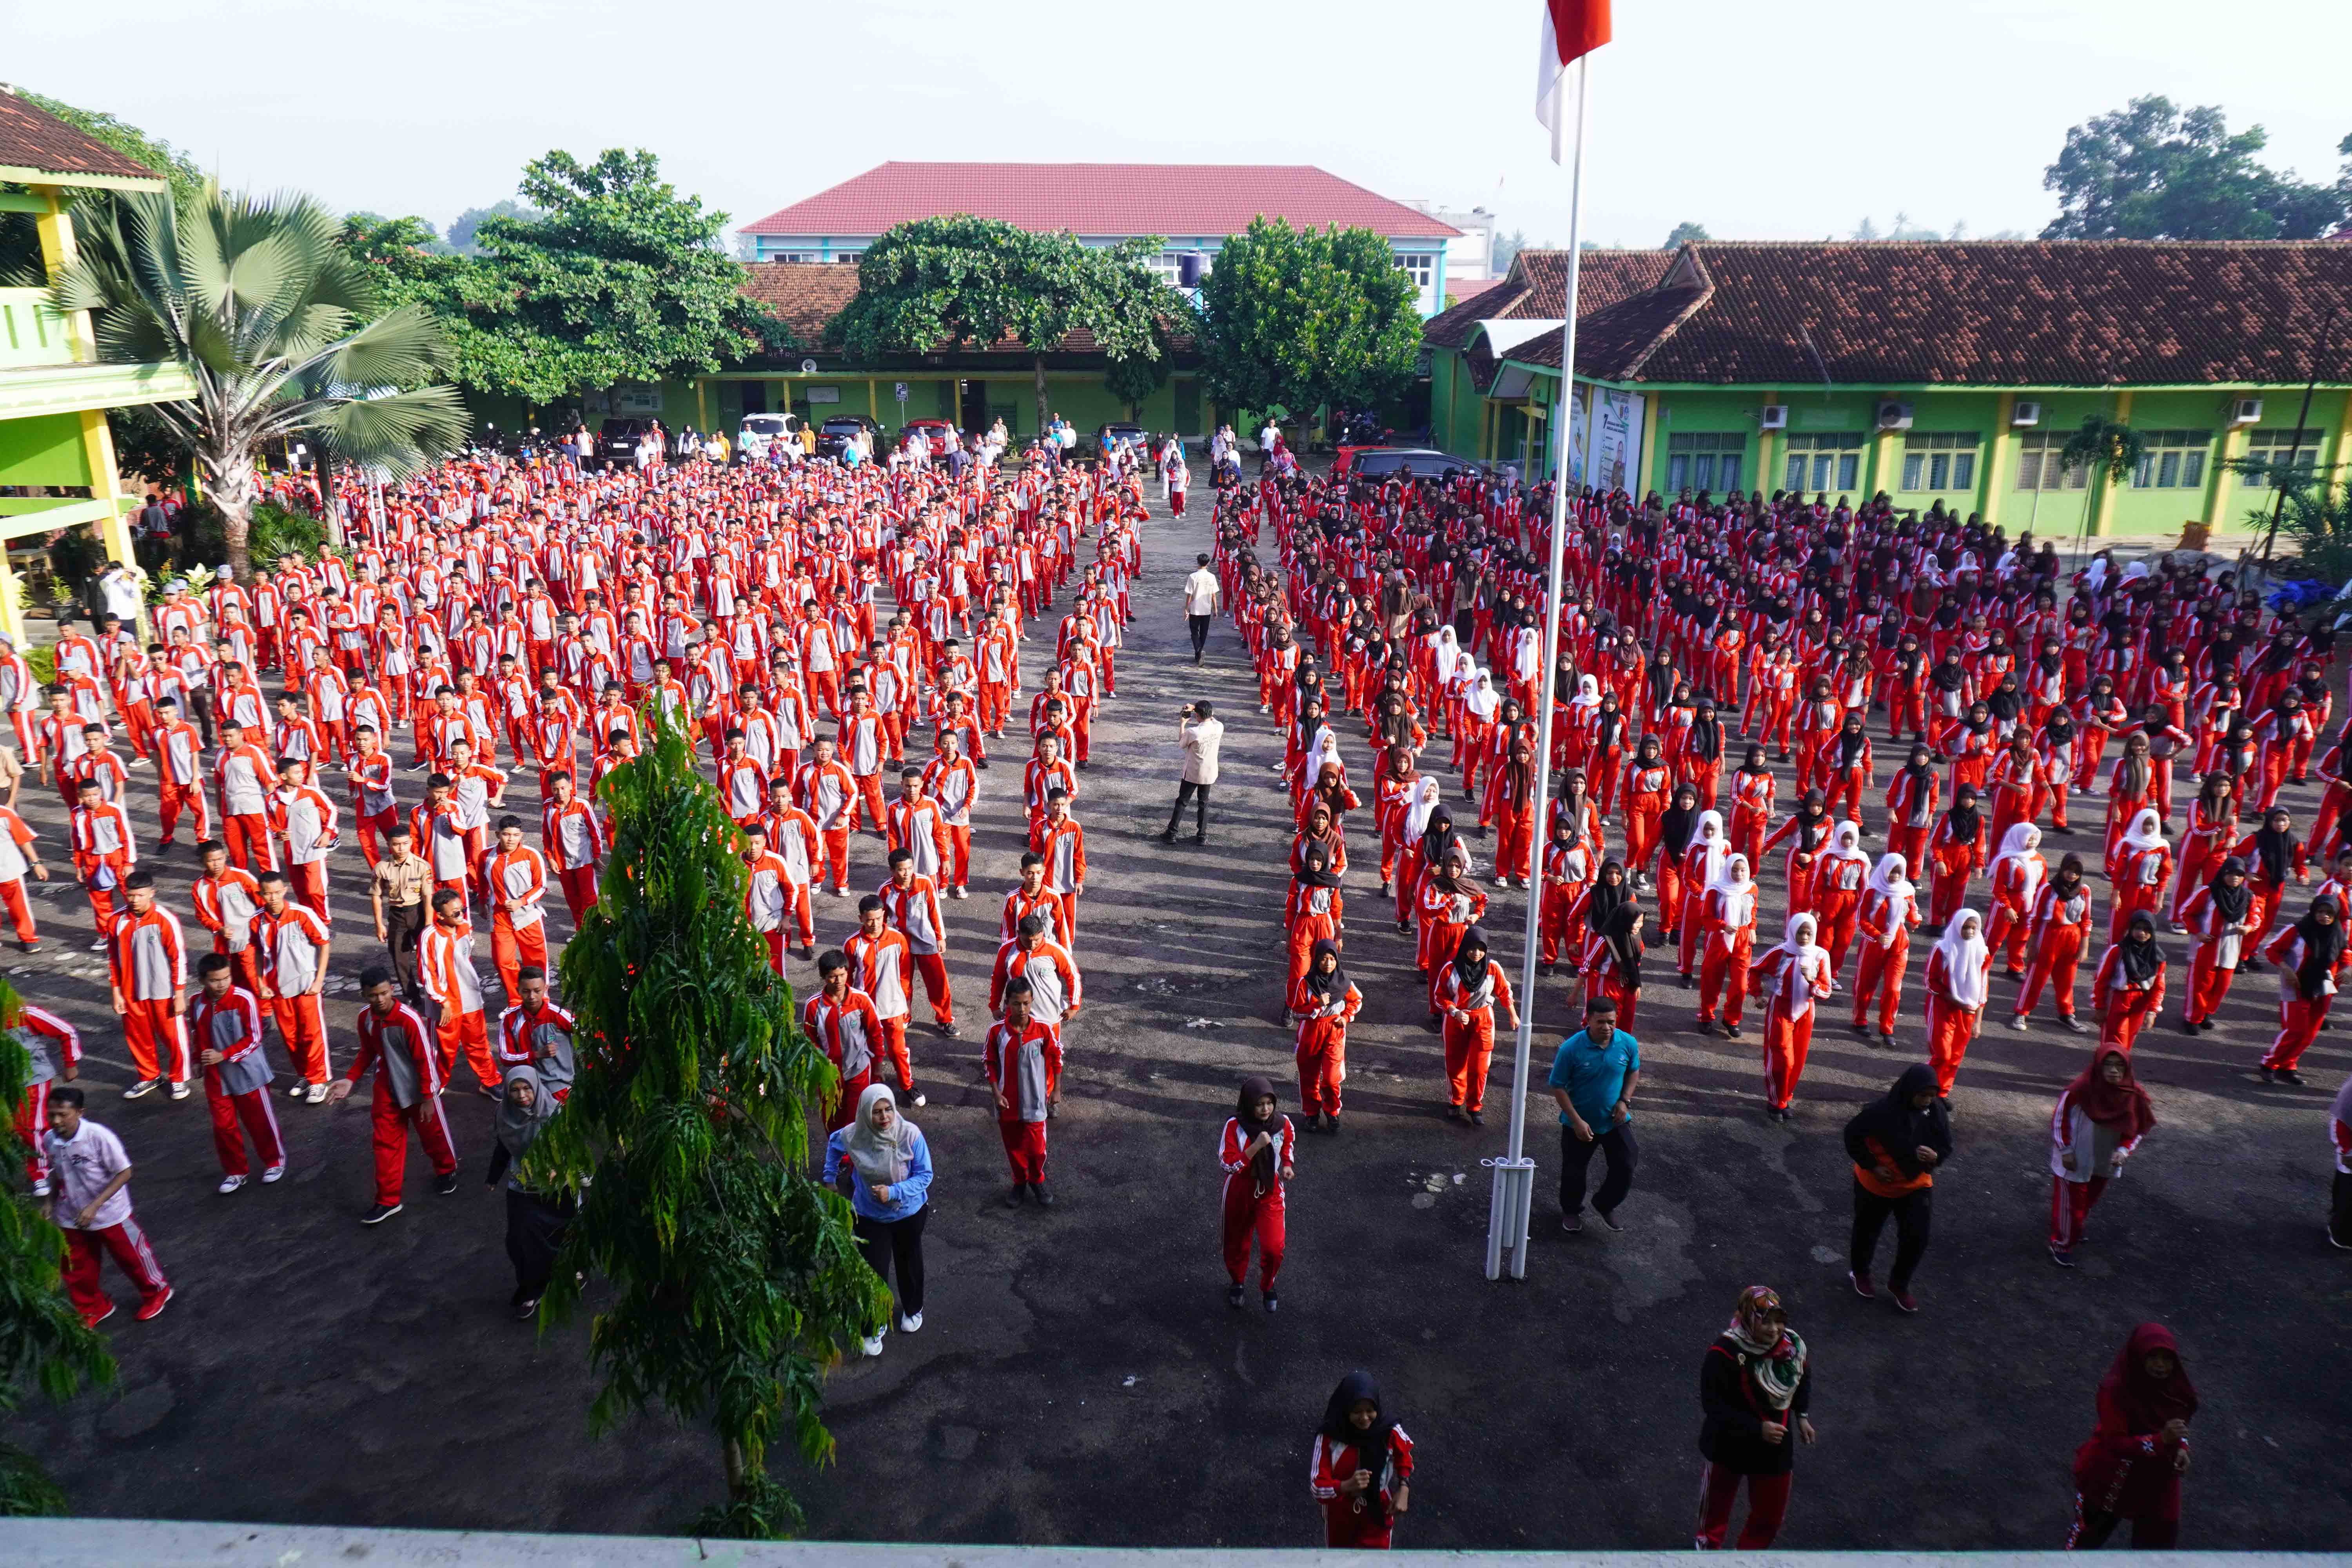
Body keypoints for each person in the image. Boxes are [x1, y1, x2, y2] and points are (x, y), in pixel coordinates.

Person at [327, 966, 459, 1225]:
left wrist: (429, 1098)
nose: (380, 1000)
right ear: (364, 994)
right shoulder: (365, 1018)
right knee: (385, 1143)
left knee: (433, 1135)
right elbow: (367, 1052)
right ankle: (388, 1200)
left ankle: (446, 1170)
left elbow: (425, 1061)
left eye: (384, 993)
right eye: (373, 995)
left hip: (419, 1089)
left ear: (392, 990)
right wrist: (350, 1079)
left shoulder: (409, 1020)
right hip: (387, 1088)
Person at [1694, 1285, 1813, 1550]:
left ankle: (1747, 1558)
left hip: (1774, 1448)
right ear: (1749, 1318)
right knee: (1715, 1509)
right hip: (1728, 1445)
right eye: (1765, 1322)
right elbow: (1713, 1406)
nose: (1774, 1330)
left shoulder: (1792, 1347)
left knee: (1770, 1516)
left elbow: (1801, 1377)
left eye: (1778, 1321)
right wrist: (1757, 1429)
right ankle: (1706, 1552)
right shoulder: (1723, 1352)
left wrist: (1802, 1416)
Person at [43, 1086, 172, 1324]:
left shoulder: (99, 1137)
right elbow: (57, 1173)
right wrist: (50, 1203)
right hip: (71, 1214)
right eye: (51, 1115)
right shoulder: (50, 1139)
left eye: (63, 1114)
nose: (56, 1121)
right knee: (76, 1267)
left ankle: (157, 1292)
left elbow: (124, 1172)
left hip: (109, 1213)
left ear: (80, 1112)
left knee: (131, 1257)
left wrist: (95, 1206)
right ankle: (93, 1307)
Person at [828, 1082, 932, 1358]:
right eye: (876, 1112)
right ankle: (876, 1324)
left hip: (908, 1213)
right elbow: (834, 1144)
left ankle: (913, 1309)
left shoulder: (910, 1134)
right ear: (865, 1114)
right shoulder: (854, 1135)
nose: (884, 1117)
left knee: (908, 1262)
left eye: (888, 1110)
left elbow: (925, 1175)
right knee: (873, 1272)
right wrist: (829, 1178)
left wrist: (894, 1192)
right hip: (870, 1215)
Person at [2067, 1324, 2196, 1548]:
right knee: (2084, 1547)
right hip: (2112, 1478)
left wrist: (2182, 1447)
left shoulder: (2176, 1390)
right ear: (2138, 1356)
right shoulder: (2114, 1392)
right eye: (2152, 1357)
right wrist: (2160, 1441)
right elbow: (2114, 1443)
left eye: (2167, 1358)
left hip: (2158, 1479)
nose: (2161, 1366)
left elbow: (2177, 1424)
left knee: (2157, 1555)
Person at [1843, 1063, 1950, 1312]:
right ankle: (1860, 1273)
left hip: (1915, 1184)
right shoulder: (1881, 1112)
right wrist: (1873, 1167)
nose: (1927, 1102)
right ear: (1909, 1091)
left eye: (1932, 1096)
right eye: (1922, 1095)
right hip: (1875, 1185)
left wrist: (1934, 1157)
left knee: (1917, 1237)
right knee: (1867, 1231)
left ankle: (1899, 1284)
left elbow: (1946, 1146)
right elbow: (1852, 1136)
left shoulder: (1937, 1112)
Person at [2048, 1046, 2156, 1266]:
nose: (2114, 1071)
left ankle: (2072, 1232)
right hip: (2076, 1159)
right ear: (2098, 1066)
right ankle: (2061, 1243)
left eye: (2119, 1066)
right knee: (2072, 1206)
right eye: (2108, 1065)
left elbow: (2137, 1129)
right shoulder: (2079, 1091)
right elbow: (2060, 1120)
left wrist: (2124, 1150)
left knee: (2087, 1202)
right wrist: (2065, 1150)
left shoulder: (2133, 1095)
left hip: (2105, 1160)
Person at [189, 951, 285, 1193]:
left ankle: (274, 1162)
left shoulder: (245, 999)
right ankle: (236, 1171)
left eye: (225, 978)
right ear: (202, 980)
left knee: (260, 1122)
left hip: (249, 1073)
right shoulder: (196, 1003)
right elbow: (196, 1034)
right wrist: (196, 1060)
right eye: (214, 980)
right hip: (216, 1077)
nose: (221, 985)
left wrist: (224, 1054)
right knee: (224, 1127)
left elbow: (255, 1039)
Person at [484, 1063, 572, 1319]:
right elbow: (503, 1147)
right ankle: (531, 1290)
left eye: (527, 1089)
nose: (522, 1096)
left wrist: (559, 1165)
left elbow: (572, 1145)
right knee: (519, 1240)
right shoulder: (504, 1114)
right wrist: (493, 1178)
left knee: (560, 1235)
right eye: (515, 1090)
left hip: (556, 1188)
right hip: (523, 1187)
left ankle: (570, 1271)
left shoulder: (556, 1112)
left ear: (536, 1088)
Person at [1548, 992, 1641, 1233]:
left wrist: (1625, 1101)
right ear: (1588, 1020)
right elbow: (1557, 1086)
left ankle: (1605, 1203)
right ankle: (1571, 1211)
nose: (1607, 1027)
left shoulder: (1628, 1043)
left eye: (1611, 1021)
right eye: (1601, 1022)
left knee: (1627, 1162)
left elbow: (1633, 1072)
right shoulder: (1571, 1049)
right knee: (1574, 1171)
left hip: (1614, 1120)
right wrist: (1577, 1121)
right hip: (1578, 1124)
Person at [1310, 1371, 1414, 1550]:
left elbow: (1404, 1453)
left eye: (1370, 1411)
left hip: (1379, 1512)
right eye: (1357, 1412)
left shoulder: (1389, 1431)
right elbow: (1317, 1487)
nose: (1365, 1418)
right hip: (1340, 1517)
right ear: (1345, 1410)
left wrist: (1404, 1487)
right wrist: (1346, 1486)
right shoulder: (1329, 1437)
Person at [982, 976, 1062, 1206]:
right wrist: (997, 1094)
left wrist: (1057, 1089)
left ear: (1032, 1001)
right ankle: (1019, 1182)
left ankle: (1037, 1180)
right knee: (1014, 1147)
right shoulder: (997, 1032)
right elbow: (989, 1063)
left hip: (1036, 1102)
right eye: (1017, 1004)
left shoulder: (1043, 1030)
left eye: (1026, 1003)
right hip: (1008, 1103)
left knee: (1037, 1150)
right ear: (1008, 1003)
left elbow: (1057, 1057)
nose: (1022, 1009)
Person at [1218, 1075, 1294, 1312]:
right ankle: (1238, 1281)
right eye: (1259, 1104)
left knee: (1274, 1248)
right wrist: (1255, 1147)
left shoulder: (1283, 1123)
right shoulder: (1234, 1126)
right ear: (1248, 1103)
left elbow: (1288, 1144)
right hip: (1240, 1192)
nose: (1265, 1109)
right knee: (1236, 1244)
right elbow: (1227, 1164)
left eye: (1269, 1103)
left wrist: (1287, 1164)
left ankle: (1268, 1285)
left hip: (1270, 1192)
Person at [1289, 938, 1362, 1132]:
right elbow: (1296, 1012)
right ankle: (1312, 1113)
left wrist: (1346, 1018)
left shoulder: (1345, 982)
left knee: (1332, 1078)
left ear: (1337, 960)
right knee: (1309, 1075)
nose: (1328, 964)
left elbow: (1357, 1001)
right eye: (1323, 959)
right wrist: (1316, 1005)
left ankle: (1333, 1112)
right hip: (1311, 1031)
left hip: (1335, 1031)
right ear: (1316, 960)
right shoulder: (1306, 983)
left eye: (1332, 959)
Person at [2092, 910, 2166, 1052]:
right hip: (2118, 1000)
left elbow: (2159, 987)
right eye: (2138, 928)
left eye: (2147, 929)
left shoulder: (2158, 957)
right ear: (2131, 928)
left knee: (2128, 1044)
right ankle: (2104, 1071)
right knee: (2113, 1044)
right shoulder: (2117, 952)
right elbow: (2101, 980)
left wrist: (2152, 1012)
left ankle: (2118, 1071)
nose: (2142, 933)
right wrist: (2100, 1008)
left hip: (2141, 1003)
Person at [1162, 701, 1220, 845]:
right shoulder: (1219, 727)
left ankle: (1172, 833)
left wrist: (1182, 724)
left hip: (1193, 772)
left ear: (1197, 716)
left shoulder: (1193, 732)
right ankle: (1202, 835)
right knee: (1204, 803)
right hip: (1209, 772)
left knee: (1182, 802)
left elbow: (1182, 743)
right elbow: (1213, 718)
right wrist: (1198, 709)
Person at [1183, 554, 1220, 663]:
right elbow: (1214, 595)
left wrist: (1186, 608)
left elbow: (1189, 595)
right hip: (1207, 608)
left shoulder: (1193, 577)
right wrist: (1216, 609)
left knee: (1194, 632)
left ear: (1198, 563)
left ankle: (1198, 651)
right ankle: (1199, 652)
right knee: (1204, 632)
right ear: (1208, 563)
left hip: (1195, 609)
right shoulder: (1212, 577)